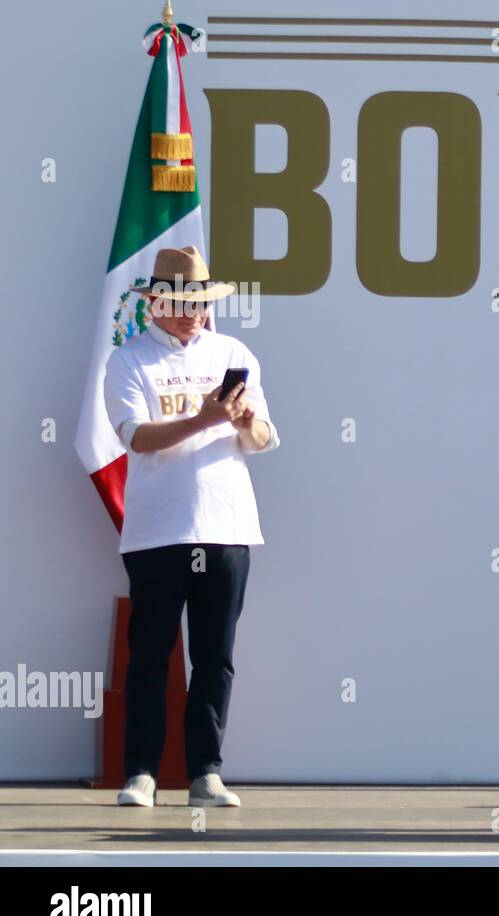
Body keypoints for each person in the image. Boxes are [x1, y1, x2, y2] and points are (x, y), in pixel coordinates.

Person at [102, 246, 279, 809]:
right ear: (153, 299)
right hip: (158, 531)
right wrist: (202, 417)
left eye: (199, 302)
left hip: (227, 527)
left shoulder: (233, 351)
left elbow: (263, 440)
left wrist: (247, 422)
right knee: (150, 654)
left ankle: (206, 773)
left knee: (215, 656)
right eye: (178, 301)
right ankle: (142, 774)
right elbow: (136, 438)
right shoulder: (128, 359)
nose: (190, 313)